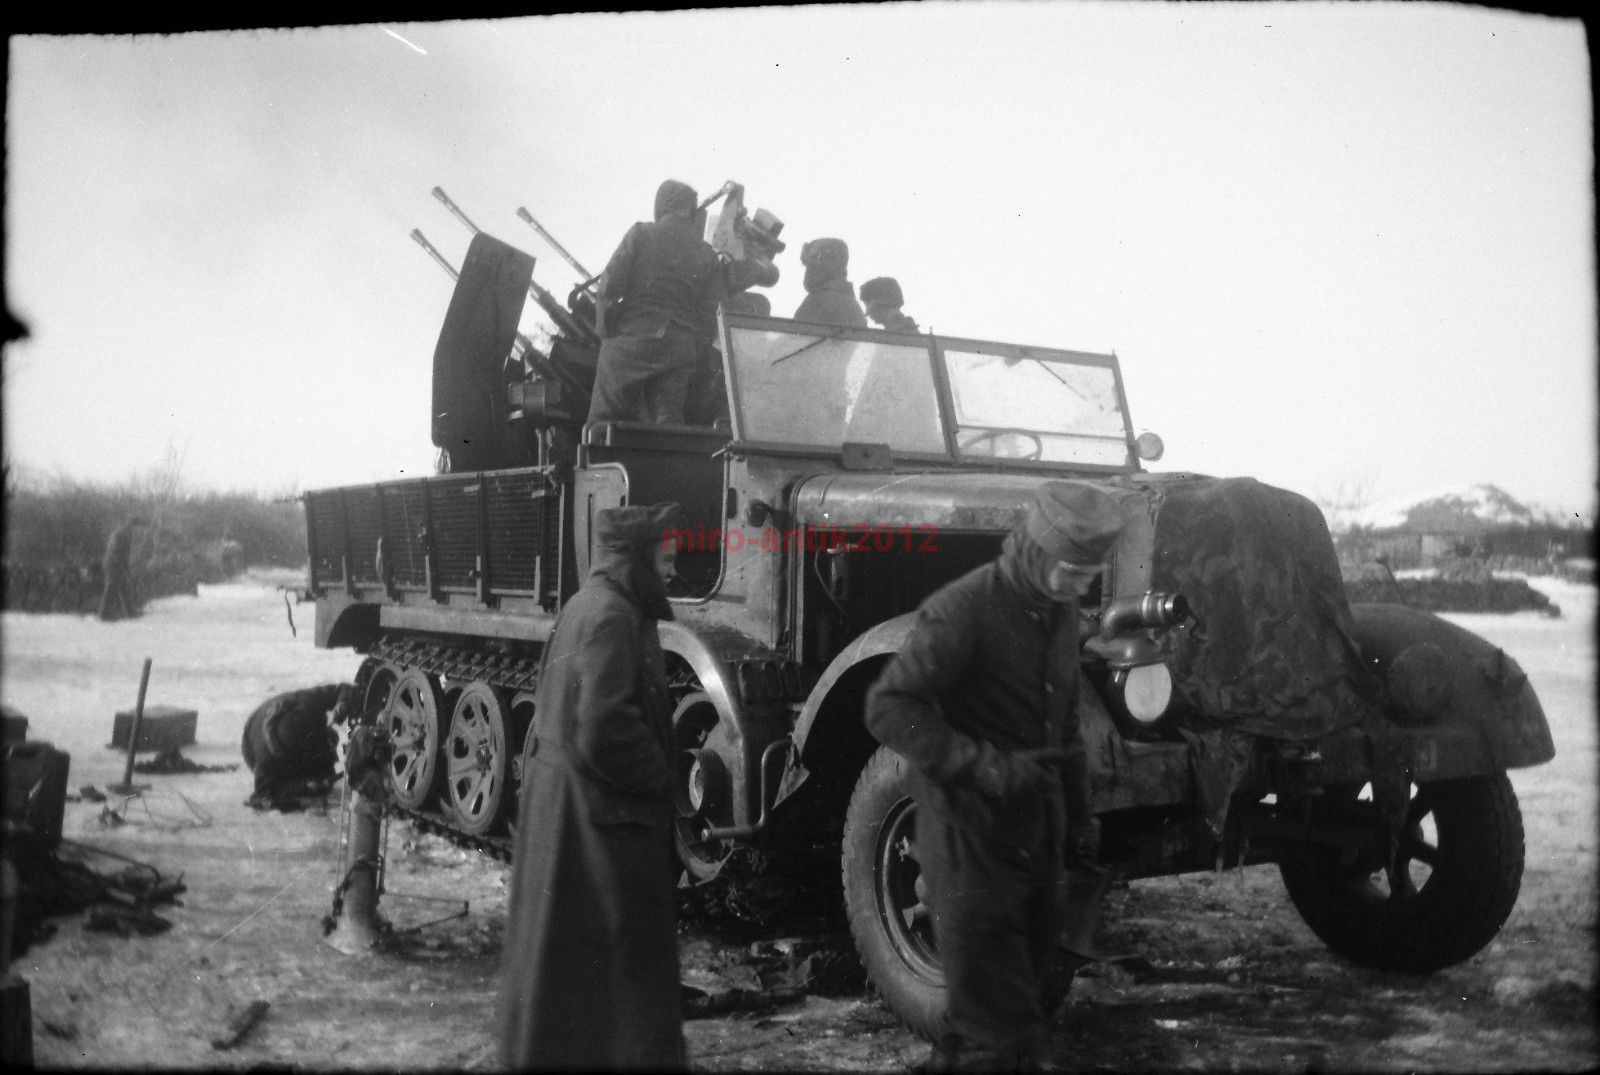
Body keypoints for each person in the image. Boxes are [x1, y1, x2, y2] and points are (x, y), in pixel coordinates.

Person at [864, 481, 1125, 1072]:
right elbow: (890, 708)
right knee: (1003, 1032)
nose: (1081, 587)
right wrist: (983, 766)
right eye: (1072, 571)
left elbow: (1063, 726)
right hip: (969, 840)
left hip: (1035, 837)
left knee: (987, 1014)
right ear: (1037, 548)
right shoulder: (965, 608)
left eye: (1089, 576)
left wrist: (1079, 819)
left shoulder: (1058, 611)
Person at [498, 502, 685, 1072]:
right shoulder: (614, 617)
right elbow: (604, 728)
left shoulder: (588, 604)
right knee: (625, 974)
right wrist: (662, 777)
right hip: (601, 822)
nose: (674, 567)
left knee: (563, 969)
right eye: (666, 556)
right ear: (638, 556)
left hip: (570, 814)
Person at [587, 180, 722, 426]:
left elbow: (609, 286)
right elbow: (709, 313)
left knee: (603, 420)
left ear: (661, 204)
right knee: (669, 422)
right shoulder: (707, 254)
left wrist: (606, 330)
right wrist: (690, 344)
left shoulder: (641, 233)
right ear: (690, 209)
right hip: (678, 347)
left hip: (630, 342)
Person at [240, 683, 347, 809]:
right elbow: (262, 796)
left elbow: (344, 690)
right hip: (255, 747)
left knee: (324, 775)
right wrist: (302, 787)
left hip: (290, 730)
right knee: (319, 785)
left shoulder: (308, 702)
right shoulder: (267, 760)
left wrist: (343, 703)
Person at [793, 238, 867, 327]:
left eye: (812, 265)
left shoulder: (820, 300)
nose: (808, 272)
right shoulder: (849, 301)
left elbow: (795, 333)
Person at [97, 517, 148, 622]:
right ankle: (104, 615)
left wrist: (125, 567)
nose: (140, 531)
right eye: (140, 528)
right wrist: (122, 566)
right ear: (135, 526)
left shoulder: (123, 531)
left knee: (126, 587)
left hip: (116, 563)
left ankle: (131, 612)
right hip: (114, 564)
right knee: (111, 589)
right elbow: (116, 551)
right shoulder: (123, 534)